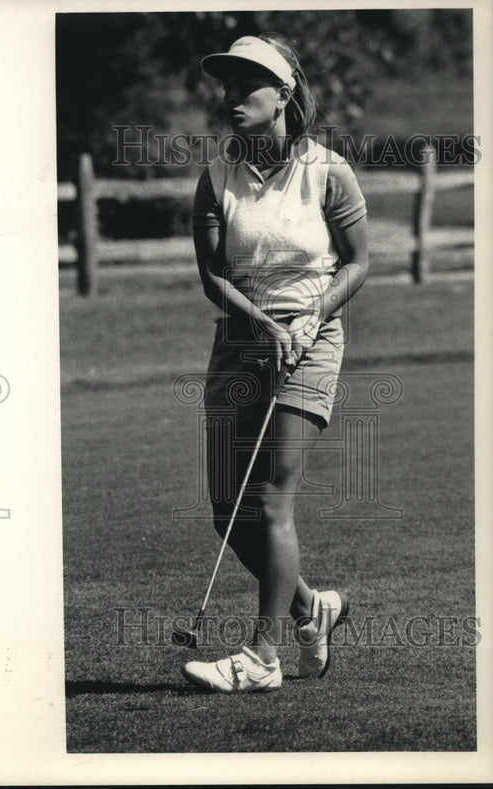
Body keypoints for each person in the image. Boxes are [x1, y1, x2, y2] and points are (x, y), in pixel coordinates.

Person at [181, 33, 369, 692]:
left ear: (283, 92)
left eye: (246, 85)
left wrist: (311, 316)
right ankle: (312, 606)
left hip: (312, 338)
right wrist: (259, 322)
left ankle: (262, 656)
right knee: (226, 511)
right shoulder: (215, 175)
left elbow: (358, 261)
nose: (231, 97)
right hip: (240, 340)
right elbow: (213, 276)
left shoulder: (329, 170)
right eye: (226, 86)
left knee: (268, 500)